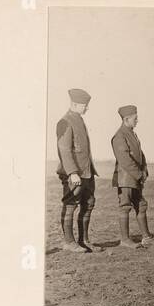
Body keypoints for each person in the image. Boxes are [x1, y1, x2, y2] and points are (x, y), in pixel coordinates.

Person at [55, 87, 96, 252]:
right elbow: (64, 149)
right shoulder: (65, 121)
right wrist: (72, 172)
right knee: (70, 204)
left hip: (86, 172)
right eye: (84, 105)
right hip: (75, 174)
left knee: (89, 203)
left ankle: (84, 240)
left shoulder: (78, 119)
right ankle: (69, 242)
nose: (87, 108)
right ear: (74, 103)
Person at [111, 105, 153, 248]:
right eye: (135, 118)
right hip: (126, 179)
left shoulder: (131, 133)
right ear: (126, 119)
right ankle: (125, 239)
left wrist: (144, 169)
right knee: (125, 206)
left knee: (141, 205)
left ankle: (146, 237)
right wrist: (139, 174)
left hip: (134, 178)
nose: (137, 121)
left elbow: (140, 154)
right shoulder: (120, 135)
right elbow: (125, 159)